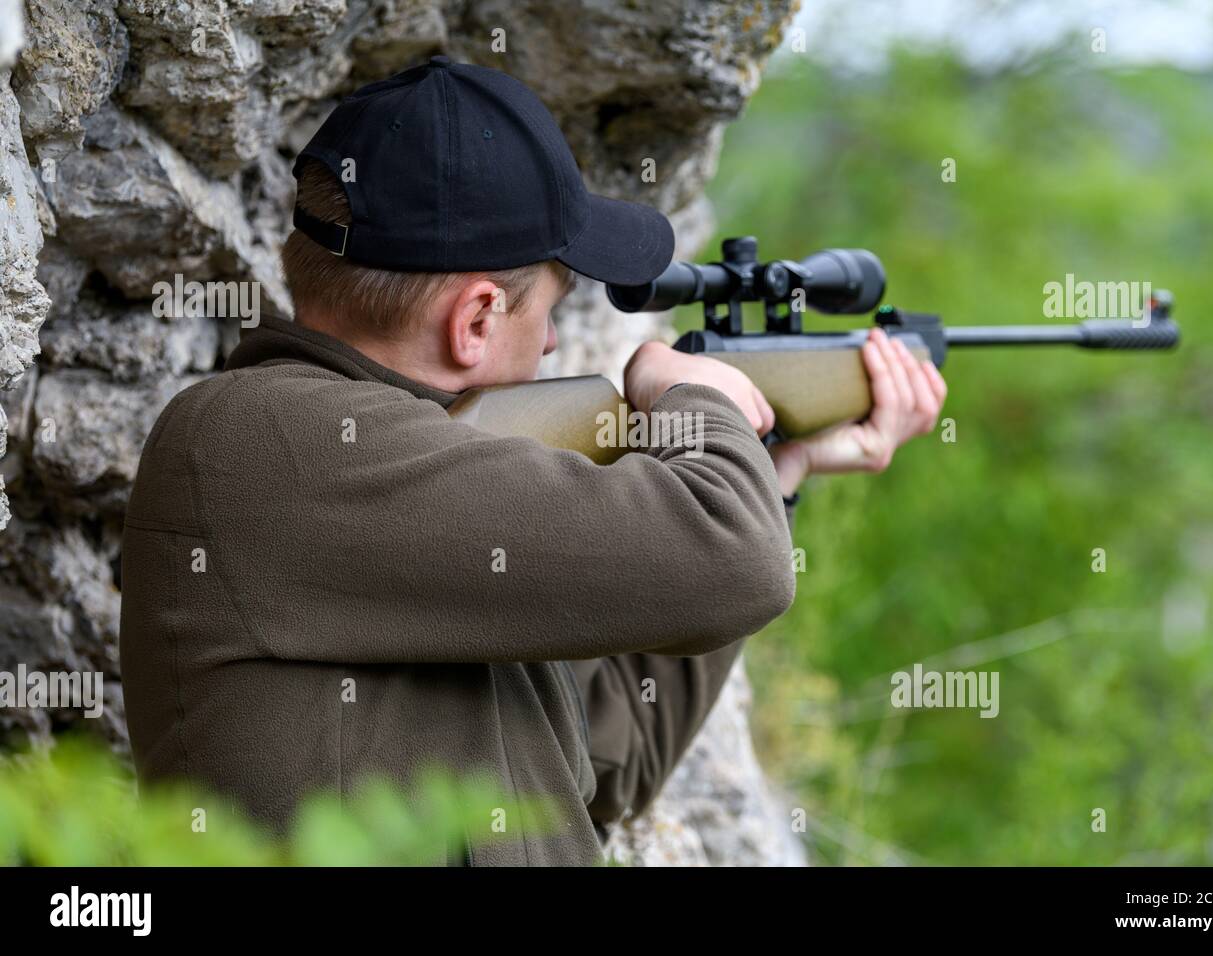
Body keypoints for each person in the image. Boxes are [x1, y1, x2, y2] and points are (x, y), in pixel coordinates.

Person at [119, 57, 946, 865]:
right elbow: (738, 559)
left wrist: (779, 466)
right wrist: (691, 392)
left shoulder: (431, 519)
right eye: (551, 310)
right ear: (476, 319)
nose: (553, 342)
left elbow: (617, 753)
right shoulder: (263, 437)